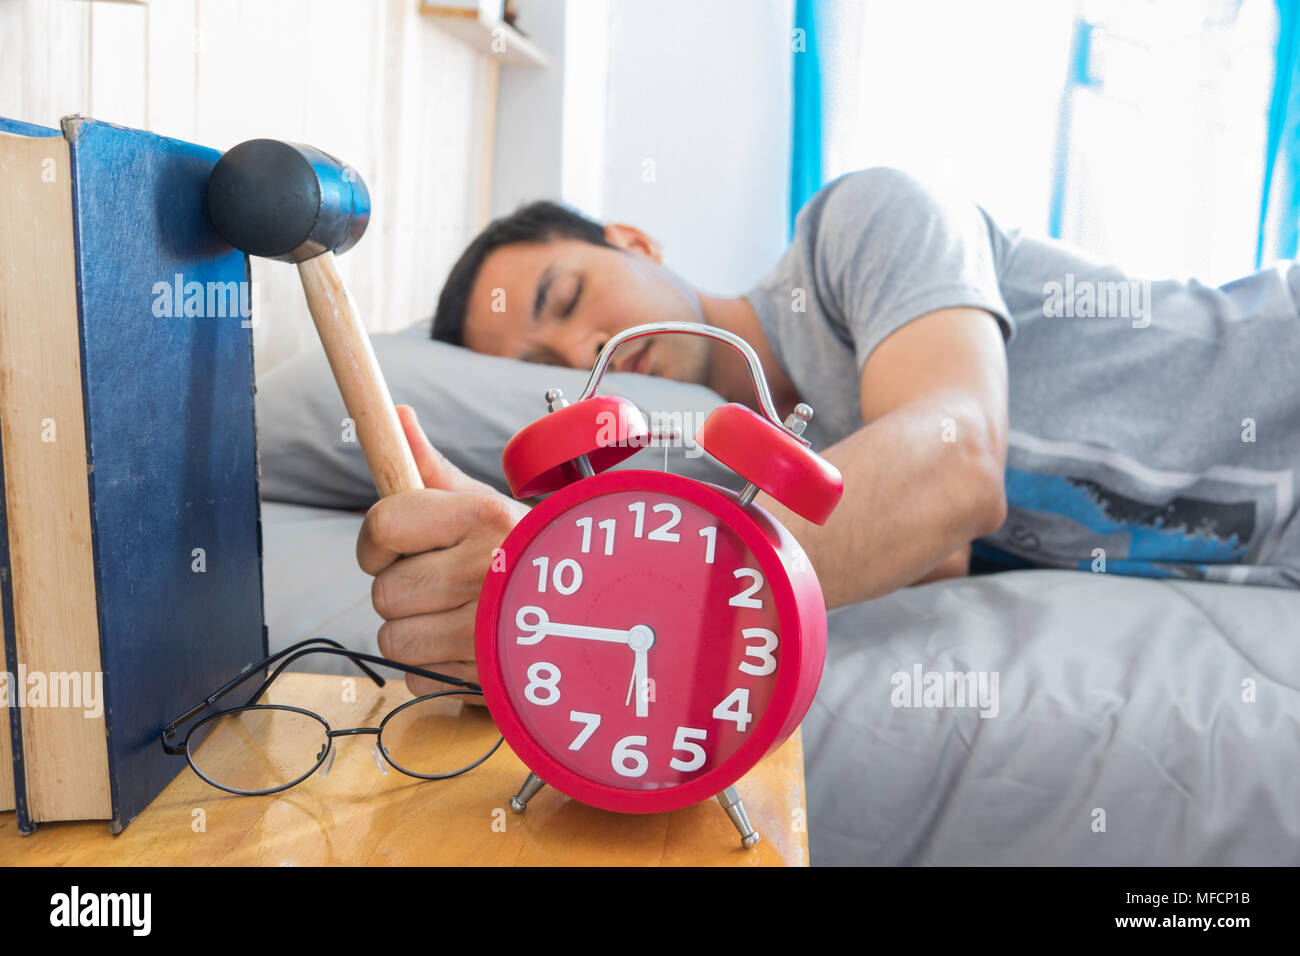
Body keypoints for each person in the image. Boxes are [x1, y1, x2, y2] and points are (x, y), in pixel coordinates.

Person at [357, 167, 1300, 695]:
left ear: (635, 241)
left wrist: (599, 594)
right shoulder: (737, 492)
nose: (580, 345)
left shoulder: (861, 223)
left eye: (568, 298)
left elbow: (955, 464)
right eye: (545, 367)